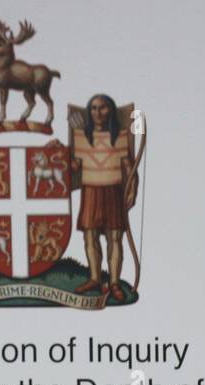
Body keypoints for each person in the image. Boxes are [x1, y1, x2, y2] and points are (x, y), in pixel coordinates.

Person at [71, 93, 136, 301]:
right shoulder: (81, 137)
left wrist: (132, 189)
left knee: (114, 238)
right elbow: (75, 167)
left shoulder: (121, 137)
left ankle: (114, 282)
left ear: (111, 110)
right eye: (94, 108)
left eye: (103, 108)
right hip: (90, 191)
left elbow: (129, 168)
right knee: (89, 237)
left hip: (113, 191)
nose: (98, 113)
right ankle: (95, 278)